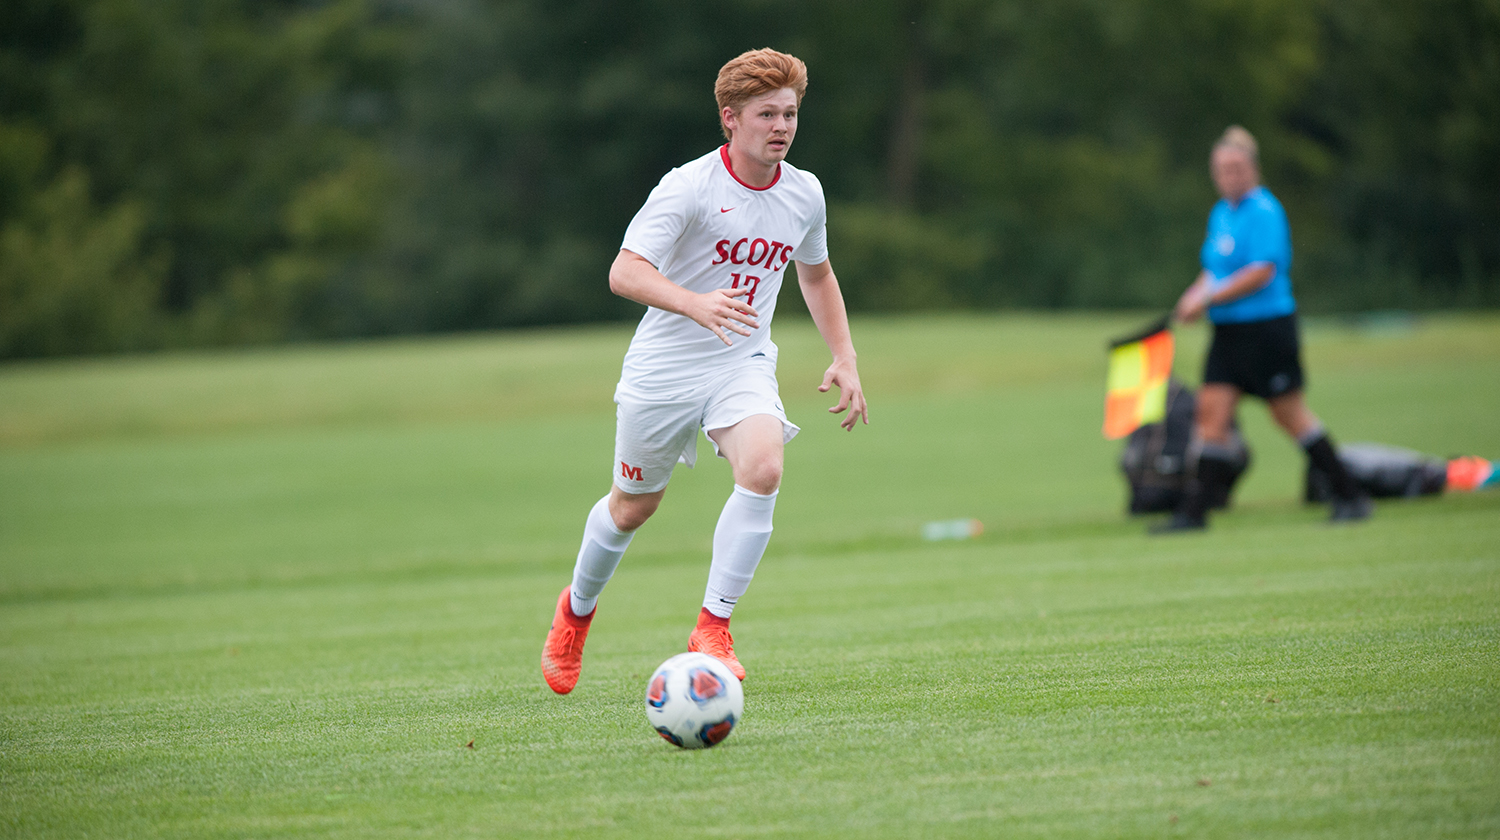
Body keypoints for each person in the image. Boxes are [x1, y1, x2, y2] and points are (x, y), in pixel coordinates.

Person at [540, 48, 868, 693]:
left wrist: (846, 356)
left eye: (791, 113)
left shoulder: (804, 193)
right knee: (634, 507)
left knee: (765, 466)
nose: (782, 126)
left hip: (740, 361)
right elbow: (623, 272)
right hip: (662, 371)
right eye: (766, 113)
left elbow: (817, 273)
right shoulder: (688, 186)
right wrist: (694, 303)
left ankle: (713, 627)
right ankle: (576, 612)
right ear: (730, 118)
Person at [1154, 126, 1371, 533]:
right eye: (1222, 169)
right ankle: (1195, 512)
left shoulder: (1265, 211)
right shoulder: (1222, 214)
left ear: (1253, 168)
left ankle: (1351, 495)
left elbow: (1262, 271)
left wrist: (1210, 299)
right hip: (1228, 335)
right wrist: (1192, 296)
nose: (1230, 175)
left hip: (1267, 330)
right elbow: (1213, 271)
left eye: (1237, 167)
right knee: (1211, 414)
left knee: (1288, 414)